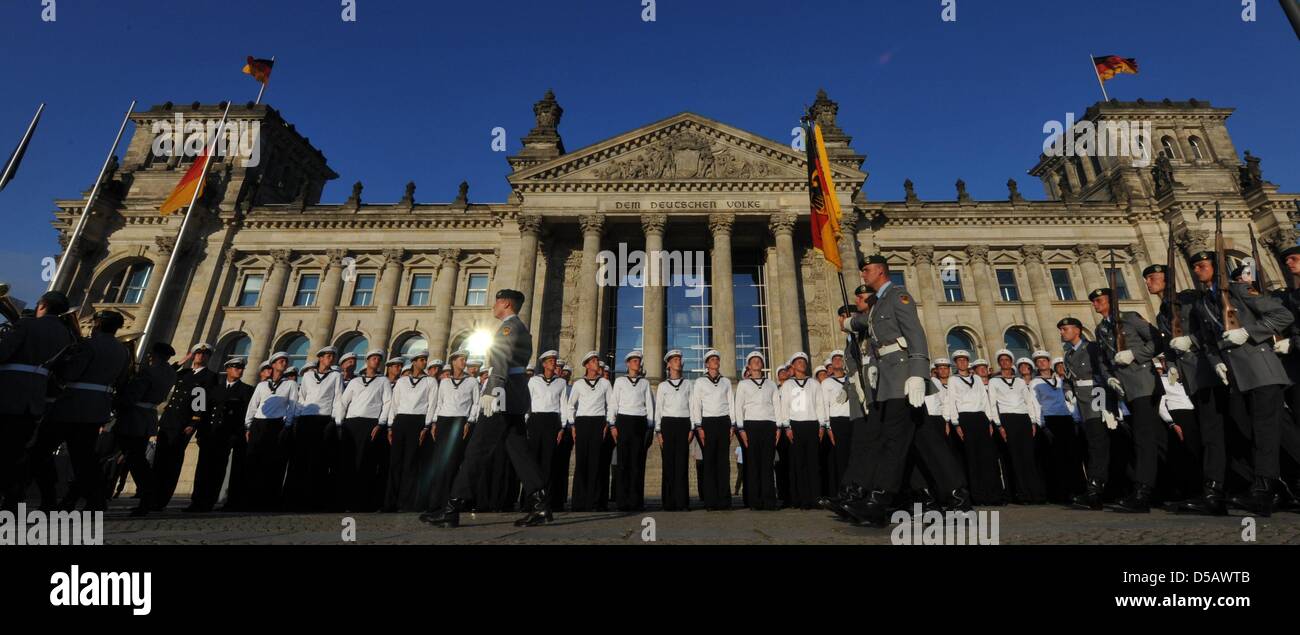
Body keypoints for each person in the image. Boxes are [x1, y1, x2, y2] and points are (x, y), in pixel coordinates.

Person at [420, 289, 552, 528]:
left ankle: (452, 508)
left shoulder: (508, 327)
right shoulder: (520, 327)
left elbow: (501, 359)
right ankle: (541, 505)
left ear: (506, 304)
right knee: (520, 452)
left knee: (477, 450)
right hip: (514, 395)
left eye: (496, 302)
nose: (493, 306)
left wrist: (494, 390)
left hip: (501, 396)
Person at [1184, 250, 1292, 515]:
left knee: (1266, 432)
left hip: (1262, 370)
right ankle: (1271, 490)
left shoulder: (1239, 291)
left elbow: (1282, 316)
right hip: (1237, 377)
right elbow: (1209, 340)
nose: (1197, 270)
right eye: (1195, 267)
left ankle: (1264, 491)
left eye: (1202, 266)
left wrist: (1249, 331)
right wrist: (1215, 362)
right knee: (1251, 433)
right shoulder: (1202, 303)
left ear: (1215, 268)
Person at [840, 255, 934, 526]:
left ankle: (880, 499)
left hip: (903, 378)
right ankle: (944, 496)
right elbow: (864, 323)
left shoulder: (897, 295)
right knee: (917, 442)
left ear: (880, 271)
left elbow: (915, 335)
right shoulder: (879, 302)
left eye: (866, 270)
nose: (862, 275)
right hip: (886, 382)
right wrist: (847, 323)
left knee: (896, 439)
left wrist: (918, 373)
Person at [30, 309, 130, 512]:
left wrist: (60, 363)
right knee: (84, 458)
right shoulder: (123, 351)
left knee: (40, 451)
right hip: (97, 408)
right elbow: (121, 381)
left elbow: (71, 374)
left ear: (98, 324)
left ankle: (46, 497)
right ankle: (96, 501)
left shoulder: (88, 345)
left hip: (71, 405)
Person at [1089, 286, 1163, 513]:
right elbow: (1103, 360)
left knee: (1145, 439)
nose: (1096, 304)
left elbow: (1157, 341)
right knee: (1146, 439)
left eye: (1100, 300)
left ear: (1112, 300)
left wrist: (1135, 354)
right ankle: (1152, 489)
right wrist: (1110, 378)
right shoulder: (1101, 329)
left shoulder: (1130, 318)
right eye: (1094, 301)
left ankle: (1143, 492)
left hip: (1144, 383)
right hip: (1126, 390)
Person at [1059, 317, 1119, 510]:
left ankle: (1096, 489)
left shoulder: (1091, 348)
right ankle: (1097, 489)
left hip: (1095, 400)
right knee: (1094, 445)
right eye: (1061, 329)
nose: (1062, 332)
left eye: (1065, 329)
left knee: (1098, 446)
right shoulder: (1068, 355)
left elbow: (1101, 375)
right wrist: (1067, 390)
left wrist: (1104, 407)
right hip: (1082, 405)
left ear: (1077, 330)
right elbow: (1068, 378)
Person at [117, 342, 179, 516]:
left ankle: (146, 495)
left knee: (134, 459)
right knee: (137, 459)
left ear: (156, 355)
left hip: (133, 416)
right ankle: (147, 496)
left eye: (151, 354)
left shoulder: (149, 371)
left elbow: (133, 395)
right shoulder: (170, 373)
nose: (149, 356)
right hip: (148, 417)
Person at [190, 357, 254, 512]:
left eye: (241, 368)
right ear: (228, 369)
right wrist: (199, 432)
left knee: (217, 470)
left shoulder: (246, 390)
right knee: (202, 469)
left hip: (226, 436)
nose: (239, 370)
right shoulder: (214, 389)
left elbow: (245, 414)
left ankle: (208, 502)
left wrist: (236, 436)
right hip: (209, 434)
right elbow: (203, 412)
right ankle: (196, 501)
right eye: (236, 367)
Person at [334, 350, 391, 512]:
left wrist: (380, 423)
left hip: (370, 424)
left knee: (366, 462)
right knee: (348, 462)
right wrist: (340, 423)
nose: (376, 361)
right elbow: (343, 403)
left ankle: (362, 502)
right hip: (352, 423)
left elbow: (387, 403)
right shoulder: (356, 381)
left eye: (379, 360)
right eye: (373, 358)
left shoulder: (383, 381)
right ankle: (344, 501)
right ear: (367, 361)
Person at [287, 346, 343, 511]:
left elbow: (337, 398)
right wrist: (296, 417)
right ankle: (295, 499)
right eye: (327, 356)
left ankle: (313, 499)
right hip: (306, 419)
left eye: (332, 356)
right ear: (320, 358)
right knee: (300, 459)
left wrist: (335, 421)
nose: (330, 359)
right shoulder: (308, 376)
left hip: (324, 419)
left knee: (318, 460)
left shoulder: (335, 376)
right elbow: (302, 398)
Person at [943, 350, 1002, 506]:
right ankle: (978, 496)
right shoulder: (953, 380)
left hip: (981, 418)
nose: (962, 363)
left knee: (988, 458)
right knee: (972, 458)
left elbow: (985, 399)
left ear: (968, 362)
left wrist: (989, 421)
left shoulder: (976, 378)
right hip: (964, 418)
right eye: (959, 360)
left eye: (964, 360)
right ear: (956, 363)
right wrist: (956, 424)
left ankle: (993, 495)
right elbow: (951, 401)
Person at [988, 349, 1045, 504]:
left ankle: (1035, 493)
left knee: (1028, 457)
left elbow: (1028, 402)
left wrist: (1033, 421)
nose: (1005, 362)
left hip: (1024, 419)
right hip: (1007, 419)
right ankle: (1021, 493)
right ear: (999, 363)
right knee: (1015, 457)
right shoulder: (994, 381)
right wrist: (999, 425)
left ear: (1012, 362)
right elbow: (992, 404)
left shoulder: (1020, 381)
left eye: (1008, 359)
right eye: (1002, 360)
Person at [423, 350, 477, 511]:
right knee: (440, 461)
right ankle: (435, 501)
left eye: (465, 359)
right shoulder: (445, 382)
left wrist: (469, 420)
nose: (464, 362)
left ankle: (451, 500)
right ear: (453, 362)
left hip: (460, 421)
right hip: (444, 421)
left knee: (454, 461)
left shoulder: (472, 382)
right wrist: (434, 422)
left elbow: (476, 403)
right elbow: (439, 402)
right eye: (461, 359)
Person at [244, 351, 297, 511]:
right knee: (254, 461)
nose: (283, 363)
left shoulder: (290, 384)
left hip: (277, 425)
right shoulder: (262, 385)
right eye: (280, 361)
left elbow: (293, 406)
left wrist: (287, 425)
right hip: (259, 424)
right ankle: (250, 499)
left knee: (273, 463)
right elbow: (253, 405)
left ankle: (269, 500)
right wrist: (248, 425)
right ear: (273, 365)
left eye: (285, 361)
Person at [385, 350, 436, 512]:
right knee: (395, 462)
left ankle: (406, 503)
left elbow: (431, 404)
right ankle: (390, 502)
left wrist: (426, 426)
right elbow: (395, 403)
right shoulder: (402, 381)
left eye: (425, 360)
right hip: (401, 421)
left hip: (418, 421)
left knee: (411, 463)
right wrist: (390, 425)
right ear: (413, 362)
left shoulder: (430, 382)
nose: (424, 363)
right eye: (421, 360)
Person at [1029, 349, 1082, 504]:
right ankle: (1061, 494)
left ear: (1048, 362)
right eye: (1038, 362)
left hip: (1066, 418)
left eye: (1044, 360)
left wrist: (1075, 418)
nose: (1041, 363)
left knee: (1072, 456)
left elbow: (1069, 400)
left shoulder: (1060, 380)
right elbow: (1034, 404)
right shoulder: (1035, 382)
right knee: (1056, 458)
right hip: (1049, 419)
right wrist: (1042, 425)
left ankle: (1077, 490)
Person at [560, 351, 611, 512]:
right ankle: (579, 501)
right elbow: (570, 405)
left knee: (596, 462)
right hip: (582, 422)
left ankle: (594, 501)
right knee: (582, 462)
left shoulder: (605, 384)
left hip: (598, 422)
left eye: (597, 360)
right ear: (587, 365)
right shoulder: (579, 384)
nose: (597, 363)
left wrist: (607, 424)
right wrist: (573, 424)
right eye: (594, 361)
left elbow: (611, 405)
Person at [778, 352, 827, 510]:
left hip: (812, 424)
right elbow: (784, 406)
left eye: (803, 361)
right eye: (798, 362)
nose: (801, 364)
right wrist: (787, 426)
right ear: (793, 366)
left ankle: (815, 497)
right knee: (798, 464)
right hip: (795, 425)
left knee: (813, 463)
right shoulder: (788, 385)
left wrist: (822, 425)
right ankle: (800, 498)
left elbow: (820, 405)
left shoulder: (814, 384)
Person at [690, 348, 736, 511]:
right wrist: (698, 426)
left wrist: (733, 424)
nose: (715, 361)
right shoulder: (700, 382)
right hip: (707, 423)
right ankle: (711, 501)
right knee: (709, 463)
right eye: (712, 359)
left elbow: (731, 402)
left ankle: (724, 500)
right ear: (707, 364)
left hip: (723, 421)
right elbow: (696, 405)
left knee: (723, 462)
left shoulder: (726, 382)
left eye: (717, 359)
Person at [609, 350, 654, 511]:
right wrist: (612, 425)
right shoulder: (620, 382)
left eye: (638, 361)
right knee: (623, 463)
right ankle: (622, 500)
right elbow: (614, 403)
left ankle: (636, 500)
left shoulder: (645, 383)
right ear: (628, 364)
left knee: (637, 463)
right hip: (623, 421)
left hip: (640, 422)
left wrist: (650, 426)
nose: (636, 363)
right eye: (633, 361)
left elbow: (649, 405)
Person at [525, 350, 566, 512]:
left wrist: (562, 426)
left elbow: (563, 405)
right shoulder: (534, 381)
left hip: (552, 421)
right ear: (543, 364)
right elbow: (528, 403)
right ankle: (529, 501)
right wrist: (525, 423)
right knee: (533, 462)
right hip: (535, 420)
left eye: (554, 361)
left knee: (548, 463)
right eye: (550, 361)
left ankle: (546, 501)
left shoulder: (561, 383)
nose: (553, 363)